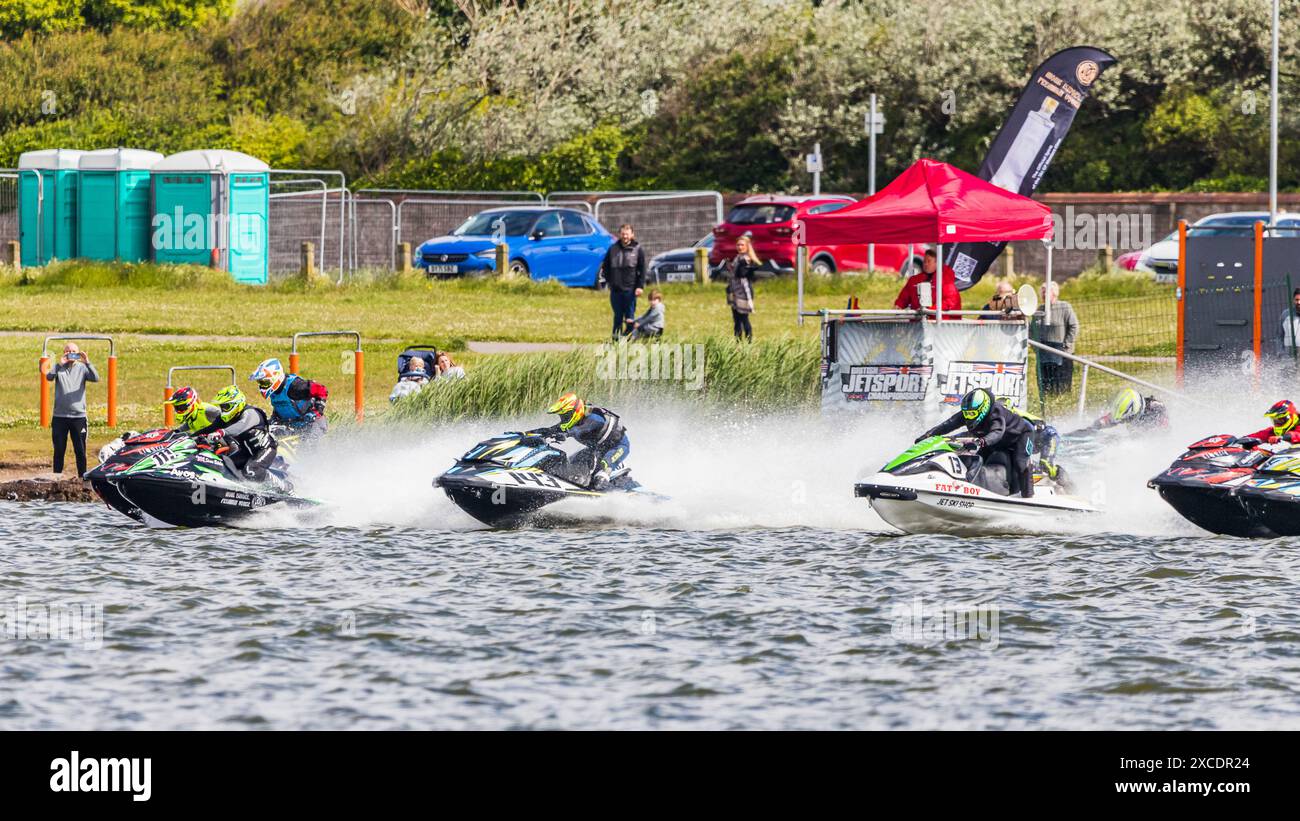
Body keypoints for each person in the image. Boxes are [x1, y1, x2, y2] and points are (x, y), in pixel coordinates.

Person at [917, 387, 1037, 498]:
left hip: (1021, 435)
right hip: (993, 440)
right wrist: (927, 435)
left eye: (972, 414)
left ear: (983, 409)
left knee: (1021, 463)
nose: (968, 417)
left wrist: (980, 442)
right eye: (966, 414)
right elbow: (946, 425)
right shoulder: (967, 413)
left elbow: (997, 432)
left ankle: (1028, 496)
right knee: (979, 461)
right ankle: (978, 492)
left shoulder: (995, 413)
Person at [527, 392, 630, 490]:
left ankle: (605, 494)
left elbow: (581, 429)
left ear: (576, 411)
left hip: (618, 447)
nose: (564, 419)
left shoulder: (595, 418)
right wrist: (527, 434)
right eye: (562, 416)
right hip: (597, 450)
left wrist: (566, 434)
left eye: (566, 416)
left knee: (604, 468)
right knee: (573, 464)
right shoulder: (574, 422)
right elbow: (551, 430)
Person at [199, 386, 281, 486]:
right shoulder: (225, 418)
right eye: (222, 407)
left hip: (265, 449)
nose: (224, 410)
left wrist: (221, 432)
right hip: (246, 452)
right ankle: (235, 487)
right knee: (223, 464)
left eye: (226, 406)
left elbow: (241, 426)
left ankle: (284, 487)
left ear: (237, 404)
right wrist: (188, 436)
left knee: (251, 470)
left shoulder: (251, 413)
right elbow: (209, 429)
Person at [46, 342, 99, 477]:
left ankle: (82, 477)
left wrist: (87, 362)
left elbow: (95, 378)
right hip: (59, 417)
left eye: (74, 351)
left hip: (78, 417)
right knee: (59, 449)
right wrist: (59, 364)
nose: (71, 353)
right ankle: (57, 477)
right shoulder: (59, 368)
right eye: (68, 351)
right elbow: (49, 377)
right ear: (64, 353)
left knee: (80, 450)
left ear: (78, 353)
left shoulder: (82, 368)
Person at [249, 357, 328, 436]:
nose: (263, 386)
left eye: (265, 382)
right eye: (261, 383)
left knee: (308, 443)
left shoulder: (295, 386)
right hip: (292, 426)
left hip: (313, 425)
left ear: (276, 376)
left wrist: (317, 411)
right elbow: (281, 407)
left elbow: (322, 390)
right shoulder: (274, 391)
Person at [1029, 282, 1079, 395]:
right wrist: (1034, 347)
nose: (1043, 294)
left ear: (1054, 293)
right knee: (1046, 388)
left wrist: (1067, 344)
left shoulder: (1064, 307)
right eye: (1042, 292)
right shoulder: (1039, 310)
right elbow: (1031, 331)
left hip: (1063, 353)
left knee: (1062, 387)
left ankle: (1061, 402)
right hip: (1043, 354)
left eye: (1046, 292)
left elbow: (1074, 326)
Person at [600, 223, 646, 340]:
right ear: (620, 235)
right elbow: (605, 267)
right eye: (623, 234)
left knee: (630, 317)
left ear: (632, 235)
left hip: (630, 290)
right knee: (618, 317)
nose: (625, 236)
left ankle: (629, 339)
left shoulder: (638, 249)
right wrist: (610, 282)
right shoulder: (613, 249)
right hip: (615, 290)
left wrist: (640, 286)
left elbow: (642, 269)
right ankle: (616, 340)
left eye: (627, 234)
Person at [1014, 405, 1071, 492]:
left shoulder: (1012, 414)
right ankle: (1049, 484)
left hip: (1048, 437)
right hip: (1034, 440)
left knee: (1046, 464)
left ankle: (1068, 486)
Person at [893, 249, 962, 319]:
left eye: (929, 261)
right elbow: (904, 296)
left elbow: (950, 301)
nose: (926, 264)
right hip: (918, 322)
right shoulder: (914, 280)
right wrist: (899, 305)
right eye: (924, 261)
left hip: (942, 324)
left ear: (937, 263)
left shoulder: (946, 279)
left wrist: (930, 310)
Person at [725, 234, 762, 341]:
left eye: (742, 245)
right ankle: (737, 341)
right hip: (734, 290)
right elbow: (734, 273)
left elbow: (743, 274)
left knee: (743, 318)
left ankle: (749, 340)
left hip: (743, 291)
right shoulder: (738, 258)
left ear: (747, 246)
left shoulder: (746, 259)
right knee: (736, 319)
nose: (739, 247)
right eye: (738, 245)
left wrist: (741, 267)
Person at [1090, 387, 1169, 430]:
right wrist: (1094, 427)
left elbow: (1163, 433)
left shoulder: (1156, 410)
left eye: (1128, 419)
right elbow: (1110, 419)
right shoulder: (1129, 411)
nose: (1126, 421)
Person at [1280, 288, 1300, 356]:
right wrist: (1280, 352)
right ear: (1293, 300)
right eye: (1297, 300)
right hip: (1289, 355)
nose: (1299, 302)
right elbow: (1279, 336)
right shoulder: (1285, 314)